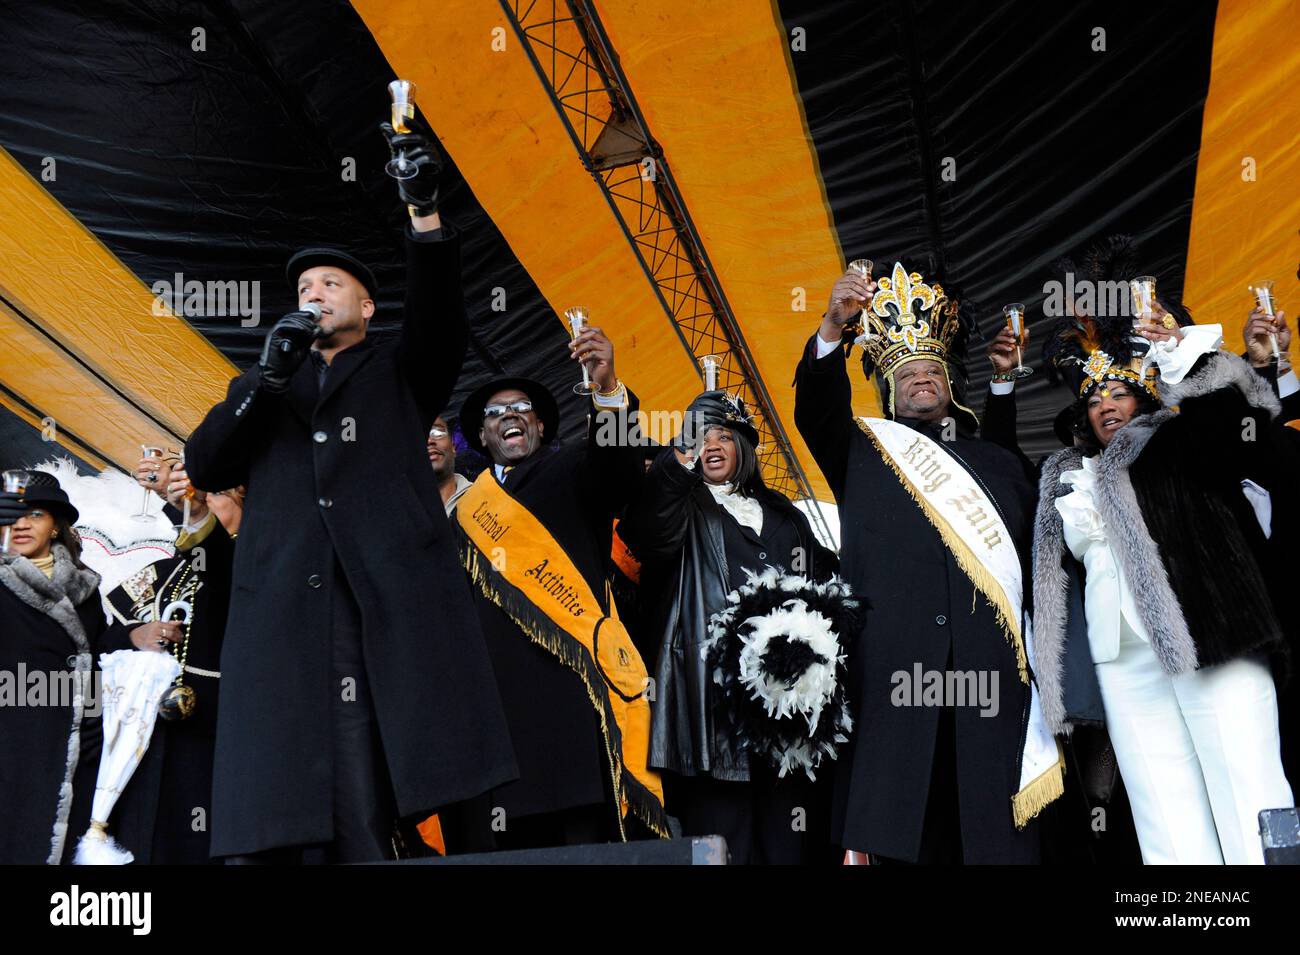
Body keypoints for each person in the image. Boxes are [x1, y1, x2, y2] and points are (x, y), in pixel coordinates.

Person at [183, 121, 515, 863]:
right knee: (282, 799)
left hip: (375, 606)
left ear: (367, 308)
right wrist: (264, 382)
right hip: (281, 617)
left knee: (362, 788)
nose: (314, 293)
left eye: (331, 284)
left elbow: (439, 324)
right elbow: (203, 462)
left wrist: (423, 212)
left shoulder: (398, 371)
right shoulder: (263, 385)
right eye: (304, 287)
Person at [793, 261, 1061, 864]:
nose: (920, 380)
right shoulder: (859, 451)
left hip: (987, 668)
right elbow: (816, 408)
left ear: (948, 384)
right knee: (908, 829)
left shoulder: (996, 462)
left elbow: (1021, 525)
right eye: (906, 373)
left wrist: (1002, 389)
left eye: (930, 371)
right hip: (895, 669)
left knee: (992, 829)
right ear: (888, 388)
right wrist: (834, 323)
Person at [1032, 299, 1297, 864]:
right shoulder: (1069, 478)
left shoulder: (1185, 439)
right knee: (1163, 812)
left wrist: (1181, 358)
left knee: (1246, 785)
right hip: (1122, 658)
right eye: (1095, 397)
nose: (1106, 404)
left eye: (1119, 392)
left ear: (1148, 395)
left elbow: (1247, 434)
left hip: (1211, 634)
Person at [449, 323, 667, 850]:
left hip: (573, 699)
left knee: (583, 839)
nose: (509, 416)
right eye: (495, 413)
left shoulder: (571, 470)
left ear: (541, 426)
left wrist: (608, 390)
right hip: (500, 712)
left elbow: (620, 478)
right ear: (481, 437)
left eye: (521, 408)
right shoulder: (464, 513)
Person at [619, 390, 839, 863]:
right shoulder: (679, 505)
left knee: (791, 842)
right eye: (700, 437)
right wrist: (677, 460)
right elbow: (647, 532)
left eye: (723, 435)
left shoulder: (786, 513)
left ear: (744, 445)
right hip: (709, 708)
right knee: (724, 842)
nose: (711, 445)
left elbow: (829, 586)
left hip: (791, 709)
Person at [99, 462, 241, 864]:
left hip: (216, 738)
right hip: (147, 739)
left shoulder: (255, 567)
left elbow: (218, 568)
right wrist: (134, 636)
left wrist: (193, 514)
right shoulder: (164, 571)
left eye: (213, 496)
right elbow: (99, 636)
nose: (202, 505)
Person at [0, 471, 106, 864]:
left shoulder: (87, 590)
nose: (22, 523)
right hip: (11, 741)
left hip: (74, 748)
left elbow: (99, 658)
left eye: (37, 514)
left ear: (57, 527)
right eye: (12, 513)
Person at [428, 416, 471, 514]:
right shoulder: (396, 510)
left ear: (453, 447)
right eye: (420, 436)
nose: (429, 441)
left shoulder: (483, 499)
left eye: (437, 432)